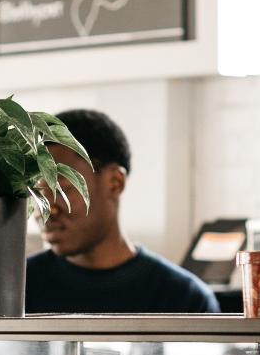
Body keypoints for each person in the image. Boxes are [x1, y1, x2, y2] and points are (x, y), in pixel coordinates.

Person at [26, 108, 218, 315]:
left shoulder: (184, 300)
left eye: (61, 188)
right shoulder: (15, 289)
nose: (46, 210)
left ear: (114, 183)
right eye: (36, 192)